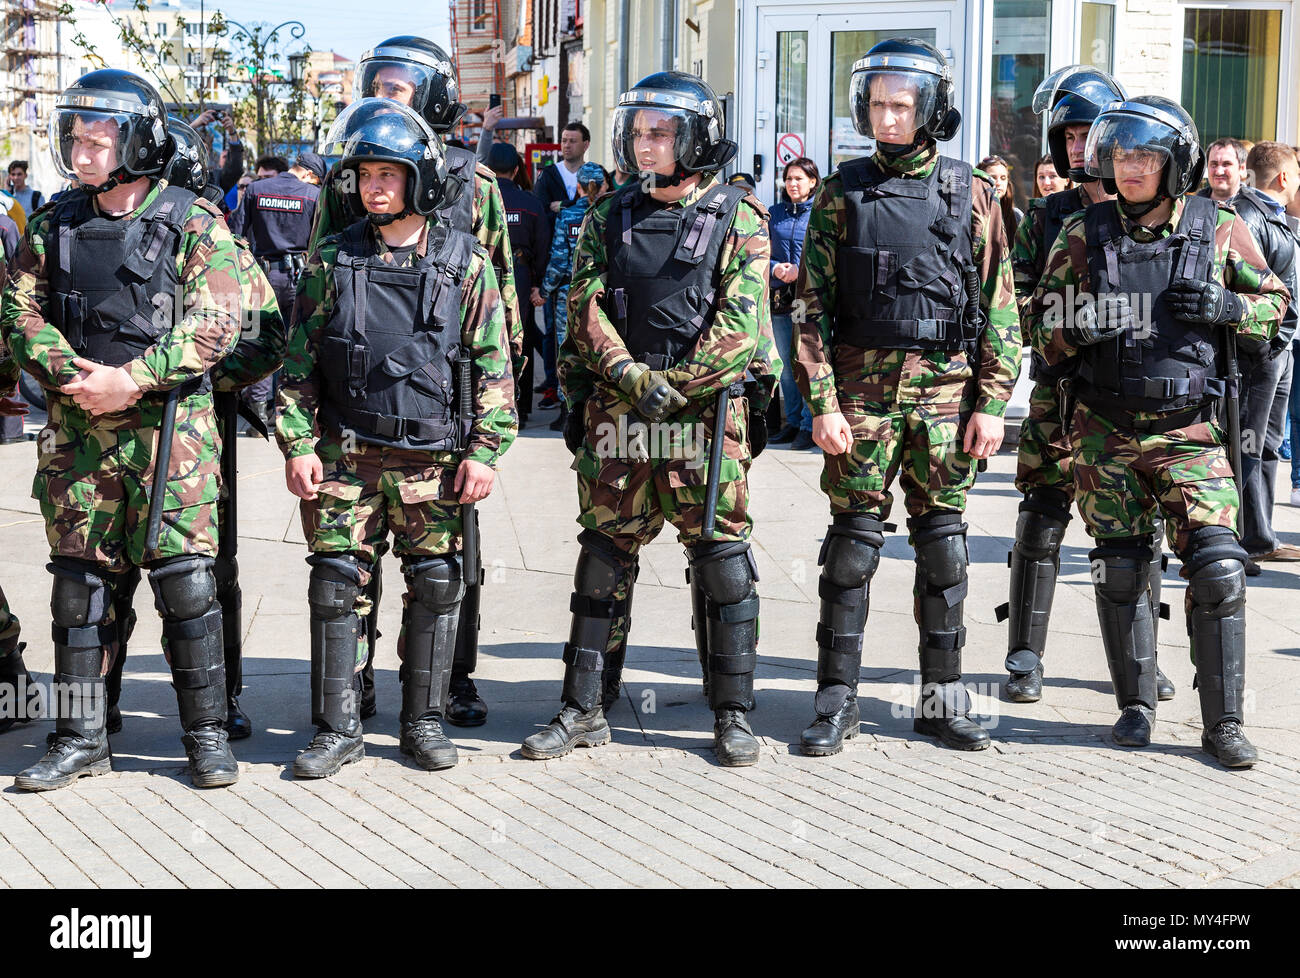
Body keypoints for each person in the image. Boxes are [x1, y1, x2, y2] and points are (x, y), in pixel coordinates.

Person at [1, 69, 245, 790]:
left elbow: (221, 318)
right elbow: (19, 313)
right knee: (79, 590)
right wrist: (74, 374)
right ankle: (80, 735)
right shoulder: (53, 225)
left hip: (173, 436)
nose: (81, 154)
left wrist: (132, 379)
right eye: (74, 139)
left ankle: (204, 735)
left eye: (97, 141)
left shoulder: (194, 221)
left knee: (186, 587)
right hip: (79, 438)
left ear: (137, 142)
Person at [1029, 95, 1289, 767]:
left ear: (1176, 162)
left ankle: (1223, 723)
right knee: (1121, 567)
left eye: (1144, 155)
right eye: (1120, 156)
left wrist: (1231, 305)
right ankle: (1135, 705)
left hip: (1190, 432)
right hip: (1104, 430)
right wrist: (1079, 325)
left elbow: (1277, 311)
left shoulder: (1219, 226)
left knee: (1220, 571)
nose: (1131, 168)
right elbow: (1043, 334)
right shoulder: (1083, 233)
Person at [522, 71, 774, 767]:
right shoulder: (610, 213)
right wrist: (632, 377)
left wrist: (679, 385)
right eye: (637, 133)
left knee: (723, 564)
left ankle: (732, 714)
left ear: (693, 138)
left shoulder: (738, 218)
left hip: (703, 421)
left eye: (659, 133)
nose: (645, 145)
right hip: (620, 412)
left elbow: (742, 325)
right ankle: (584, 708)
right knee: (603, 561)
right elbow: (583, 306)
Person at [793, 39, 1021, 756]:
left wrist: (992, 400)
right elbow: (809, 309)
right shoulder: (840, 192)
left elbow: (1001, 305)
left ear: (928, 108)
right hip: (861, 399)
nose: (886, 116)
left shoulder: (972, 192)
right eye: (876, 103)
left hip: (947, 398)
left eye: (900, 104)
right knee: (853, 551)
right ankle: (836, 700)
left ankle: (943, 700)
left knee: (945, 551)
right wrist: (821, 400)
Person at [276, 99, 516, 778]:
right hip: (346, 458)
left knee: (436, 586)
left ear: (422, 179)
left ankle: (425, 721)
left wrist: (486, 451)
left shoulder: (466, 264)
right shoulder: (330, 261)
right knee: (334, 584)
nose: (374, 186)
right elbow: (298, 369)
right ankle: (337, 727)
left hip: (434, 462)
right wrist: (296, 444)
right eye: (364, 174)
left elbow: (494, 366)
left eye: (390, 173)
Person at [326, 35, 523, 727]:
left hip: (450, 393)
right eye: (373, 85)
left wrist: (493, 410)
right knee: (349, 562)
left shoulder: (477, 181)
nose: (381, 99)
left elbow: (500, 285)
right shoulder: (349, 175)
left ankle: (450, 679)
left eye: (398, 89)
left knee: (449, 557)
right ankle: (353, 689)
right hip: (365, 401)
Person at [1002, 66, 1175, 705]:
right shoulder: (1047, 216)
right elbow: (1014, 305)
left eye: (1088, 135)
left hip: (1136, 402)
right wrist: (1075, 325)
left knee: (1137, 535)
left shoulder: (1163, 211)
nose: (1079, 147)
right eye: (1068, 137)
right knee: (1041, 518)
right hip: (1061, 391)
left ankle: (1141, 659)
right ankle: (1024, 655)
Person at [1226, 142, 1300, 569]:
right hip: (1259, 351)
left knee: (1268, 445)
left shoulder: (1270, 215)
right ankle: (1242, 540)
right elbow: (1245, 286)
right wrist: (1265, 346)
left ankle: (1262, 535)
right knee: (1247, 445)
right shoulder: (1247, 216)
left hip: (1277, 350)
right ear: (1284, 177)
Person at [229, 154, 318, 431]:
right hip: (301, 278)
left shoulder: (256, 189)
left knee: (259, 342)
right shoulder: (313, 195)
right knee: (298, 345)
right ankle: (291, 412)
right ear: (309, 175)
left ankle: (257, 412)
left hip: (261, 278)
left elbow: (236, 234)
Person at [537, 161, 607, 434]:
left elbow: (558, 260)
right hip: (601, 291)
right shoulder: (607, 214)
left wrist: (544, 291)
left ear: (577, 186)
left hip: (570, 291)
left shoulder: (568, 216)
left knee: (566, 350)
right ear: (604, 185)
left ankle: (567, 412)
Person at [486, 141, 549, 440]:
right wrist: (539, 283)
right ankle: (520, 409)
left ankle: (488, 405)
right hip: (520, 276)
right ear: (515, 170)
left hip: (484, 274)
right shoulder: (530, 203)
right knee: (519, 338)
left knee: (484, 337)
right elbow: (543, 246)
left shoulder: (481, 197)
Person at [533, 122, 592, 407]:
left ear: (585, 144)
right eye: (563, 140)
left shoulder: (593, 174)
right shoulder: (549, 176)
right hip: (555, 265)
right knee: (554, 335)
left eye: (572, 141)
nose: (566, 145)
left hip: (586, 277)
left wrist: (564, 207)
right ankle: (552, 383)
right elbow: (541, 209)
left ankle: (575, 394)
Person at [768, 156, 818, 449]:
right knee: (786, 365)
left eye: (799, 179)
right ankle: (795, 422)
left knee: (810, 362)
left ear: (813, 181)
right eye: (788, 179)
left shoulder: (820, 211)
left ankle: (811, 425)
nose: (793, 184)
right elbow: (759, 251)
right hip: (781, 300)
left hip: (811, 299)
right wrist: (776, 267)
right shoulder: (774, 213)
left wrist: (803, 269)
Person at [980, 153, 1022, 240]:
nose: (998, 183)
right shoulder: (971, 212)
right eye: (992, 177)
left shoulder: (1016, 216)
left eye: (1003, 178)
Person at [1202, 138, 1246, 202]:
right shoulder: (1190, 207)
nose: (1219, 172)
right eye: (1214, 165)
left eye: (1226, 164)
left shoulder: (1256, 209)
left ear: (1242, 168)